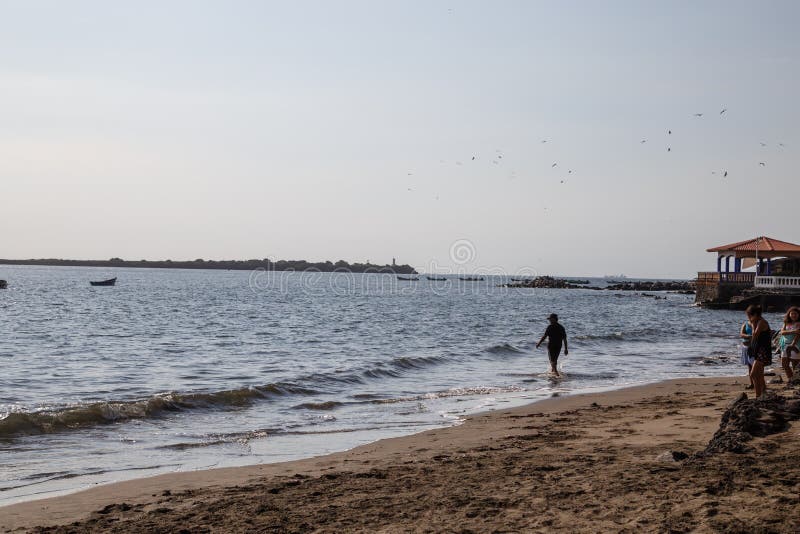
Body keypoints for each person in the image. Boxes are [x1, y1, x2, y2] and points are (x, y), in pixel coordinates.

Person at [746, 304, 771, 399]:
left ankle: (758, 395)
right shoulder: (758, 321)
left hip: (763, 351)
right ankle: (763, 394)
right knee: (759, 374)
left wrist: (752, 324)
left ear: (755, 315)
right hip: (758, 350)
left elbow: (755, 335)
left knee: (753, 374)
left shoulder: (761, 322)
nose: (749, 318)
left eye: (749, 316)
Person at [779, 306, 800, 382]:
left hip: (796, 346)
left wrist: (793, 345)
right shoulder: (786, 322)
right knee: (784, 364)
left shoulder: (799, 323)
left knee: (795, 365)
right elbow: (782, 332)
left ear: (798, 314)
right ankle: (791, 379)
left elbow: (798, 335)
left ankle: (796, 380)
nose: (794, 315)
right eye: (792, 314)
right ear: (789, 314)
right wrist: (793, 331)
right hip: (785, 345)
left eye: (795, 314)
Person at [739, 318, 754, 389]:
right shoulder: (745, 324)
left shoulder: (758, 323)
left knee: (756, 366)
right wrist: (748, 336)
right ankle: (752, 383)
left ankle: (759, 383)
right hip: (746, 347)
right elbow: (741, 334)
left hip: (754, 348)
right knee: (749, 367)